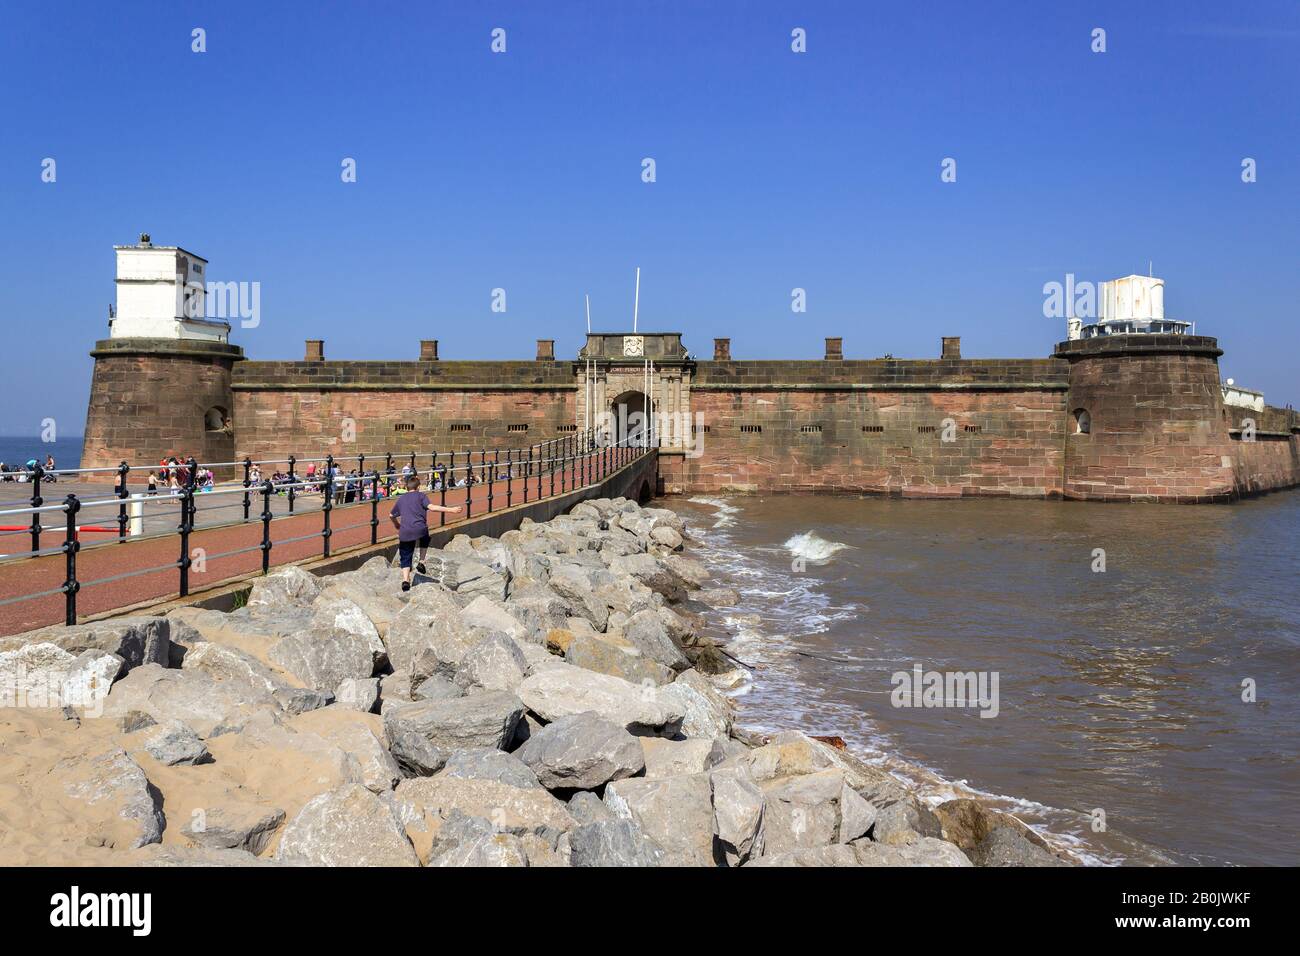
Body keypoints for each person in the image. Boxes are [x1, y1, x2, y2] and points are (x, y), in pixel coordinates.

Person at [389, 474, 461, 592]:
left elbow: (391, 515)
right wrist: (451, 510)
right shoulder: (421, 496)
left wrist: (396, 524)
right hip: (420, 529)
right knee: (425, 537)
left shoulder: (401, 499)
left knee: (405, 554)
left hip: (405, 531)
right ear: (418, 488)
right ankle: (421, 561)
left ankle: (406, 580)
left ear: (407, 488)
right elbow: (432, 507)